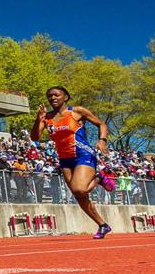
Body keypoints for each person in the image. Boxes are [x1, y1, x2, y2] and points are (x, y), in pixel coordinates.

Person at [30, 86, 112, 238]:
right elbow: (35, 137)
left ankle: (99, 177)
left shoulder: (76, 111)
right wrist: (38, 120)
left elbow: (101, 124)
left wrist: (102, 140)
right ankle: (102, 225)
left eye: (56, 95)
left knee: (80, 188)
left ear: (65, 97)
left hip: (83, 154)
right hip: (64, 159)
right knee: (79, 195)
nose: (53, 98)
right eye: (50, 96)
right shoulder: (46, 117)